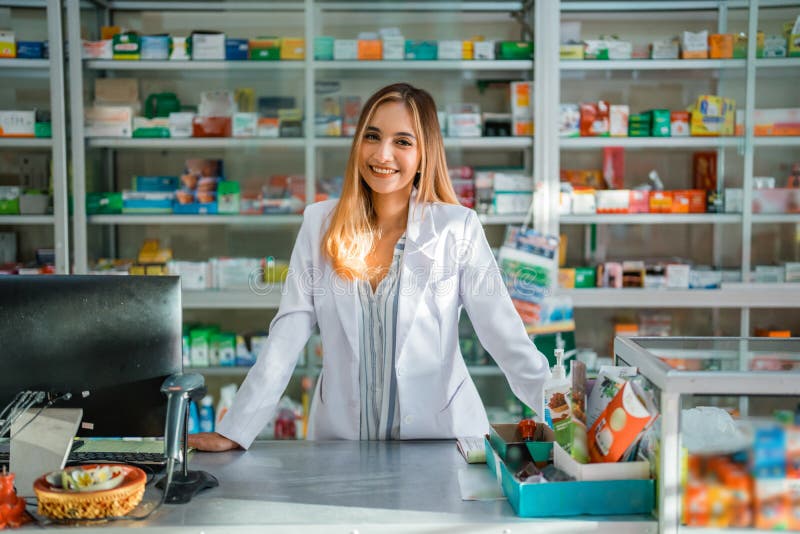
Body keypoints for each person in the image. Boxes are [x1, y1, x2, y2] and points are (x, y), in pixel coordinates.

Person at [189, 82, 550, 451]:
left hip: (440, 441)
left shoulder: (456, 228)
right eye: (372, 136)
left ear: (425, 153)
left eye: (403, 142)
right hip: (345, 445)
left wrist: (560, 412)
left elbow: (503, 334)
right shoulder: (320, 223)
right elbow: (287, 334)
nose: (382, 154)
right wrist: (235, 429)